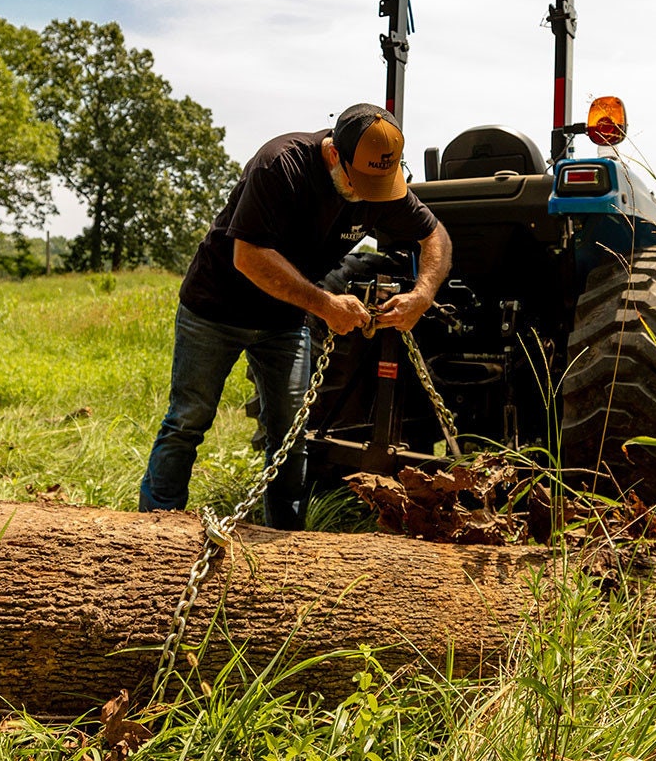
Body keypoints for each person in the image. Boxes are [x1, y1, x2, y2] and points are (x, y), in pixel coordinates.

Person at [138, 103, 452, 528]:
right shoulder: (280, 165)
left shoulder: (381, 184)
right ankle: (155, 527)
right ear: (333, 154)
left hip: (285, 321)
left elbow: (435, 235)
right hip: (215, 310)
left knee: (290, 437)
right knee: (188, 420)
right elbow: (248, 256)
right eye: (360, 183)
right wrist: (325, 305)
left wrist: (422, 294)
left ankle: (285, 542)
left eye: (378, 185)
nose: (367, 195)